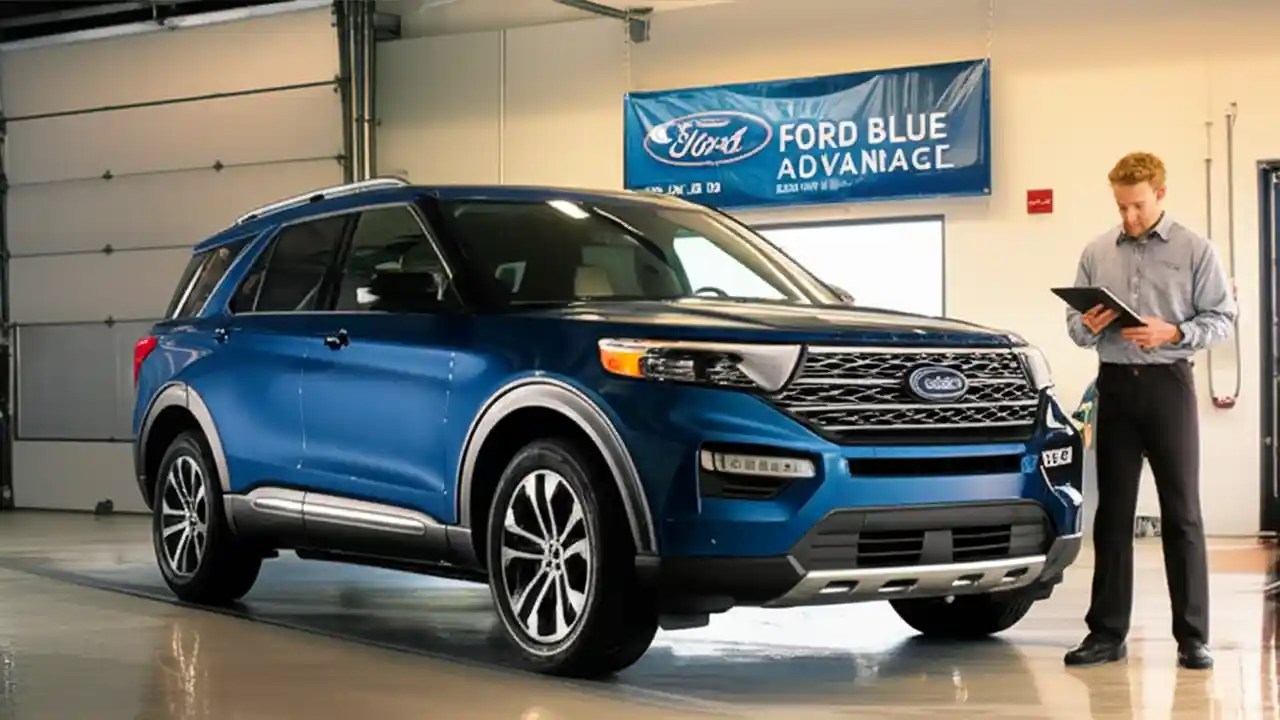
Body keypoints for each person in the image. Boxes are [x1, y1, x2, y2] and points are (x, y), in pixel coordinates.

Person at [1063, 151, 1236, 670]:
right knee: (1111, 515)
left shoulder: (1195, 249)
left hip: (1169, 387)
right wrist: (1087, 326)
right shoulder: (1097, 250)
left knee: (1182, 514)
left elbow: (1224, 317)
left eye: (1137, 206)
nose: (1129, 217)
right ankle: (1106, 634)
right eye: (1121, 207)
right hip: (1114, 387)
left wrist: (1175, 332)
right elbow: (1073, 326)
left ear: (1160, 194)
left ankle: (1193, 638)